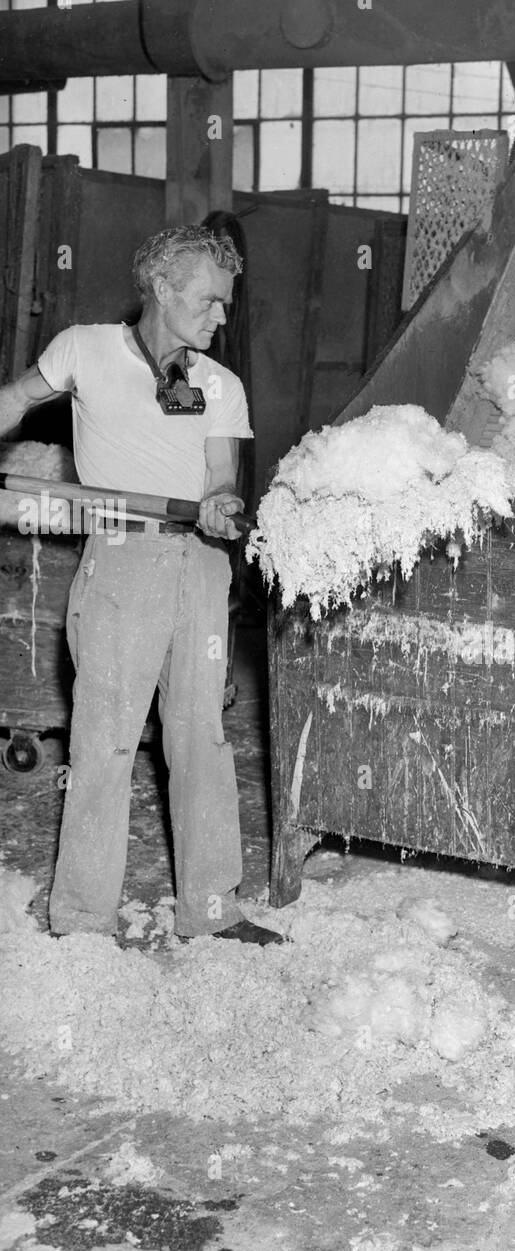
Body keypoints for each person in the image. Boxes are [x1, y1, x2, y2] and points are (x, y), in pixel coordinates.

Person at [0, 225, 280, 946]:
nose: (222, 317)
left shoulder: (218, 385)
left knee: (203, 739)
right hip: (122, 562)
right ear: (162, 288)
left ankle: (212, 910)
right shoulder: (83, 349)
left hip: (200, 569)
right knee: (104, 742)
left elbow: (220, 473)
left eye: (227, 303)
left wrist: (221, 502)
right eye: (210, 301)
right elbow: (16, 399)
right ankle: (84, 918)